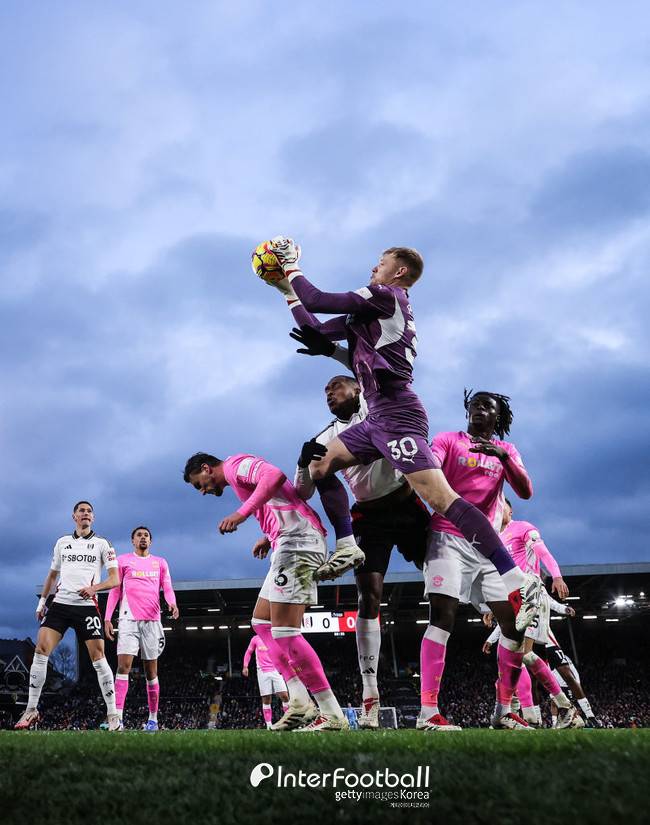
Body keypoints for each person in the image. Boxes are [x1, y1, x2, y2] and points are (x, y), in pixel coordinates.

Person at [265, 237, 539, 631]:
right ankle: (346, 546)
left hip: (398, 414)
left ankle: (517, 583)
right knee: (321, 466)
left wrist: (290, 267)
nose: (373, 267)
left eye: (380, 262)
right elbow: (316, 325)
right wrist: (285, 292)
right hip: (375, 418)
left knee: (441, 499)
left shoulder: (385, 295)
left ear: (400, 272)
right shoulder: (369, 315)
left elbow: (319, 299)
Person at [294, 374, 430, 729]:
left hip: (408, 502)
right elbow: (303, 492)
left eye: (334, 388)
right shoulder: (326, 437)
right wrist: (301, 463)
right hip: (369, 516)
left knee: (444, 587)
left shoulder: (376, 406)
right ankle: (371, 699)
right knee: (368, 597)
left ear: (356, 389)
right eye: (324, 392)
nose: (328, 394)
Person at [183, 451, 349, 731]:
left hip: (298, 541)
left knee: (285, 632)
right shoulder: (237, 478)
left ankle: (332, 712)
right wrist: (267, 534)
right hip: (284, 541)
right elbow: (280, 497)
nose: (203, 491)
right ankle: (299, 702)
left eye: (199, 484)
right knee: (261, 624)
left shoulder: (235, 465)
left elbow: (274, 476)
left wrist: (241, 514)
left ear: (206, 468)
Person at [418, 390, 536, 731]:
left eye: (487, 406)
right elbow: (430, 469)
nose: (479, 409)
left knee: (514, 625)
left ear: (497, 416)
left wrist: (503, 456)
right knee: (442, 616)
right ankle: (428, 712)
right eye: (475, 404)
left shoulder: (508, 451)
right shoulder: (448, 440)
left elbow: (526, 491)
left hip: (487, 545)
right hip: (447, 536)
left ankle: (502, 711)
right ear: (467, 410)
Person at [15, 501, 120, 731]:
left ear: (93, 517)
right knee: (41, 650)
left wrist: (94, 589)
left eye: (89, 511)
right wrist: (42, 602)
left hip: (86, 606)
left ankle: (113, 715)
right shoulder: (62, 543)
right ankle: (31, 710)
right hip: (61, 604)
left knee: (98, 658)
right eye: (81, 511)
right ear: (74, 516)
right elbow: (52, 576)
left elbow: (115, 579)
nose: (85, 514)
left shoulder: (103, 544)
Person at [499, 501, 583, 728]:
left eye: (502, 505)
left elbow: (542, 551)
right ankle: (533, 714)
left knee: (523, 653)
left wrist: (556, 575)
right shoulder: (494, 539)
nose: (498, 509)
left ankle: (558, 710)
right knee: (515, 656)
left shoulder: (523, 528)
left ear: (510, 510)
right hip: (510, 599)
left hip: (530, 595)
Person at [104, 526, 179, 732]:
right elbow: (115, 591)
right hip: (128, 619)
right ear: (132, 541)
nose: (143, 538)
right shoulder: (123, 561)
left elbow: (168, 587)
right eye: (139, 535)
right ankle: (117, 719)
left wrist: (172, 603)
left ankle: (153, 719)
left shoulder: (160, 563)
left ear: (151, 541)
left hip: (152, 621)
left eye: (146, 535)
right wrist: (108, 618)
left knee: (151, 672)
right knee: (123, 667)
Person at [242, 634, 290, 729]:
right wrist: (245, 666)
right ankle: (269, 725)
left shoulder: (275, 637)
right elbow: (248, 652)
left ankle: (288, 721)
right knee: (266, 699)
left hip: (276, 670)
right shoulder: (255, 638)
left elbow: (284, 651)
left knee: (285, 696)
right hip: (262, 671)